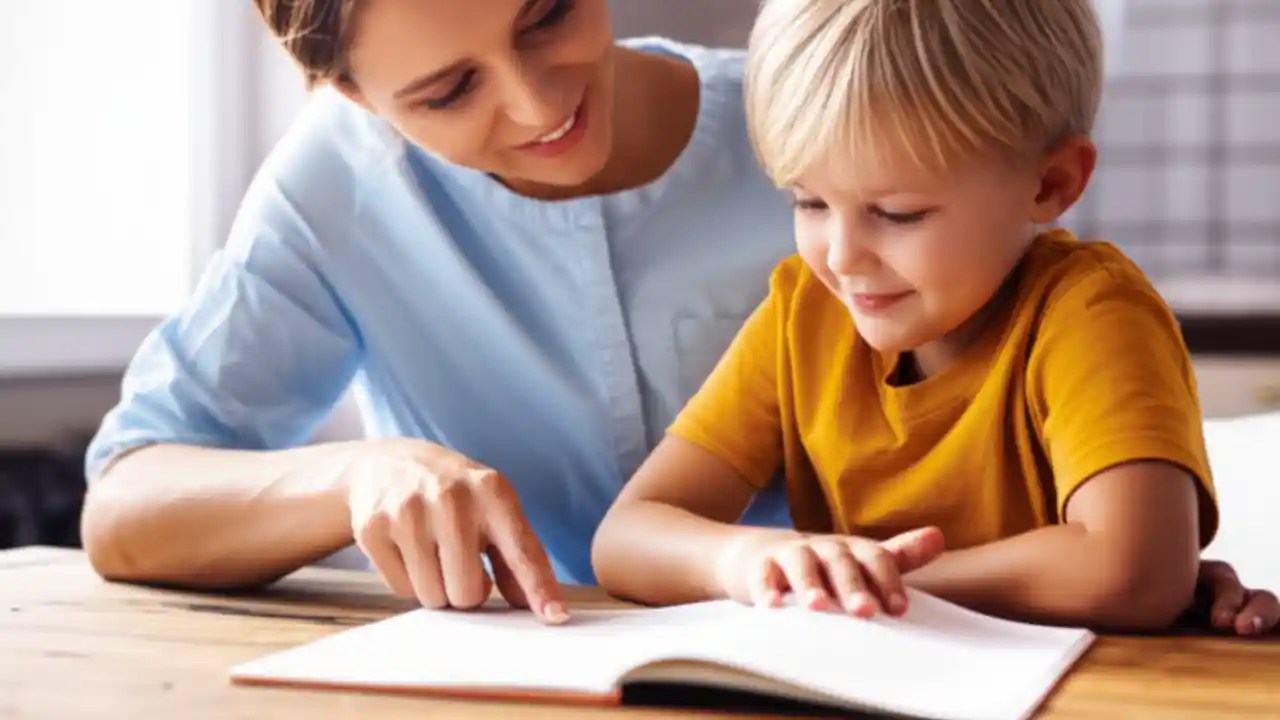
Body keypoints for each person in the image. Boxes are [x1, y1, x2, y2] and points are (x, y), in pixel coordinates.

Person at [79, 0, 1274, 635]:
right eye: (445, 90)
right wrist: (353, 476)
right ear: (349, 95)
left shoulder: (820, 113)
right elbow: (127, 502)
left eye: (546, 13)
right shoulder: (332, 190)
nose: (536, 105)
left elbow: (1111, 548)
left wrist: (1120, 567)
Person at [593, 0, 1278, 633]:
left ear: (1051, 183)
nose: (842, 256)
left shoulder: (1091, 313)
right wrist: (748, 563)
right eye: (809, 202)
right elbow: (626, 536)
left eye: (898, 213)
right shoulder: (802, 314)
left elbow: (1132, 571)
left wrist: (869, 582)